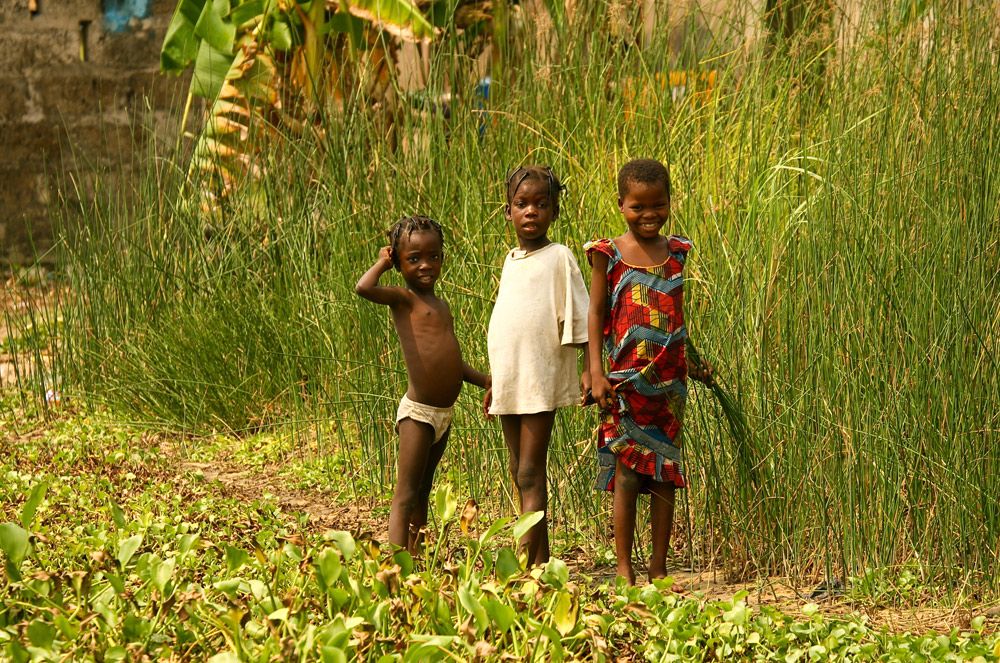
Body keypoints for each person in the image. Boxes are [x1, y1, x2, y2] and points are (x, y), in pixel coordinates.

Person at [585, 158, 712, 584]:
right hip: (625, 381)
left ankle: (658, 568)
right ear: (621, 204)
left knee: (664, 475)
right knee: (627, 471)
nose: (649, 215)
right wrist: (596, 372)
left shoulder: (676, 254)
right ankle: (624, 570)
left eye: (658, 205)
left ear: (669, 203)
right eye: (638, 207)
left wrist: (693, 361)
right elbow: (596, 312)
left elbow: (677, 316)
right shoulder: (609, 255)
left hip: (670, 387)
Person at [356, 215, 491, 554]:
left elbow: (452, 363)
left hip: (443, 415)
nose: (425, 265)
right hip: (418, 415)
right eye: (413, 259)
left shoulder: (441, 306)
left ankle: (415, 553)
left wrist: (487, 381)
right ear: (399, 263)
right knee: (405, 493)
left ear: (442, 258)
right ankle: (397, 562)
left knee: (424, 489)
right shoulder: (404, 299)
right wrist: (382, 263)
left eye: (433, 256)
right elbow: (363, 288)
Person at [486, 166, 590, 565]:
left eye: (541, 204)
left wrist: (587, 367)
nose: (531, 211)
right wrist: (497, 379)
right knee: (517, 469)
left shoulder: (559, 257)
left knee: (530, 471)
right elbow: (509, 321)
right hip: (512, 377)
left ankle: (529, 568)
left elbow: (578, 316)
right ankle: (541, 564)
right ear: (507, 211)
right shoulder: (510, 261)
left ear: (555, 212)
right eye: (521, 204)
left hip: (539, 378)